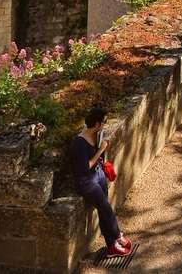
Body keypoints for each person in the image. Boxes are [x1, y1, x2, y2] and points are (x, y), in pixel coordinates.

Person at [69, 106, 132, 259]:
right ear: (97, 123)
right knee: (106, 209)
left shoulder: (96, 134)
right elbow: (85, 167)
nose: (105, 124)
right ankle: (116, 237)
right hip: (87, 182)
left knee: (104, 210)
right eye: (104, 121)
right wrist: (101, 150)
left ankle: (112, 244)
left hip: (98, 175)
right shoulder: (79, 143)